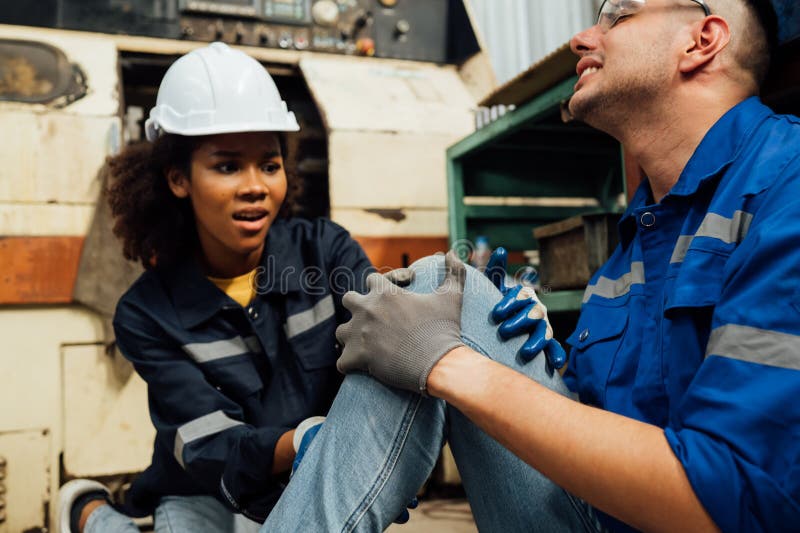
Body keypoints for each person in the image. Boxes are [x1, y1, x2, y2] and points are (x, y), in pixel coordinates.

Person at [262, 0, 800, 531]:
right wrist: (534, 361)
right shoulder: (639, 235)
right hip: (607, 515)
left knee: (437, 317)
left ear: (702, 41)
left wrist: (452, 364)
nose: (582, 39)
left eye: (618, 15)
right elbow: (610, 420)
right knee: (445, 295)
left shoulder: (786, 185)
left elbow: (738, 502)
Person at [56, 42, 381, 532]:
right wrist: (306, 441)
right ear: (178, 179)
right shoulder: (147, 313)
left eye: (269, 165)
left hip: (307, 474)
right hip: (202, 484)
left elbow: (388, 333)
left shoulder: (326, 254)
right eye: (227, 166)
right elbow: (209, 445)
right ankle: (89, 512)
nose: (255, 185)